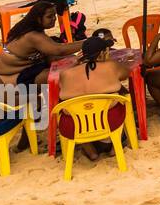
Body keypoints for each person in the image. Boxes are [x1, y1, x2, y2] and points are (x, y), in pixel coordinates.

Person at [56, 30, 132, 161]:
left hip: (75, 127)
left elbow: (63, 88)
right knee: (122, 96)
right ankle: (115, 145)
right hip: (108, 122)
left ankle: (90, 151)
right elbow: (126, 73)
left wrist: (76, 62)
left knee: (70, 107)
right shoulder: (111, 66)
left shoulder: (65, 74)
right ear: (103, 53)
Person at [0, 0, 83, 84]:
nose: (54, 18)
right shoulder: (32, 36)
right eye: (49, 16)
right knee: (65, 72)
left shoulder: (27, 28)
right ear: (38, 19)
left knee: (74, 60)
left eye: (54, 15)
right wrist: (86, 43)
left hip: (25, 70)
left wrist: (75, 57)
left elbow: (52, 56)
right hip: (10, 78)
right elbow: (59, 50)